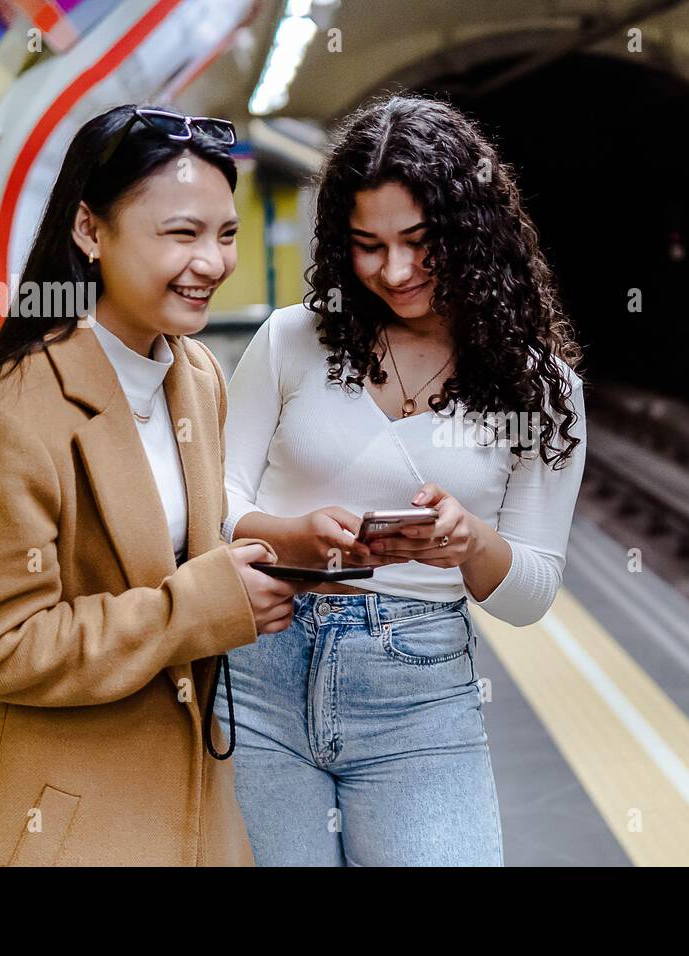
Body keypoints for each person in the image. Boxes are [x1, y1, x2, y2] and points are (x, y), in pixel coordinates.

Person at [0, 104, 298, 866]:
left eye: (226, 233)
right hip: (66, 820)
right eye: (181, 234)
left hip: (195, 804)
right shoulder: (8, 421)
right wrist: (196, 608)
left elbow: (182, 545)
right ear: (89, 230)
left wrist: (293, 547)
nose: (211, 261)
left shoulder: (193, 375)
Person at [219, 93, 588, 866]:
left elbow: (532, 592)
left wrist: (471, 542)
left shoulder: (539, 386)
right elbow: (212, 499)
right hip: (259, 670)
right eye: (367, 245)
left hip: (417, 699)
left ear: (472, 232)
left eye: (421, 243)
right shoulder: (293, 339)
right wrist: (285, 534)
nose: (393, 270)